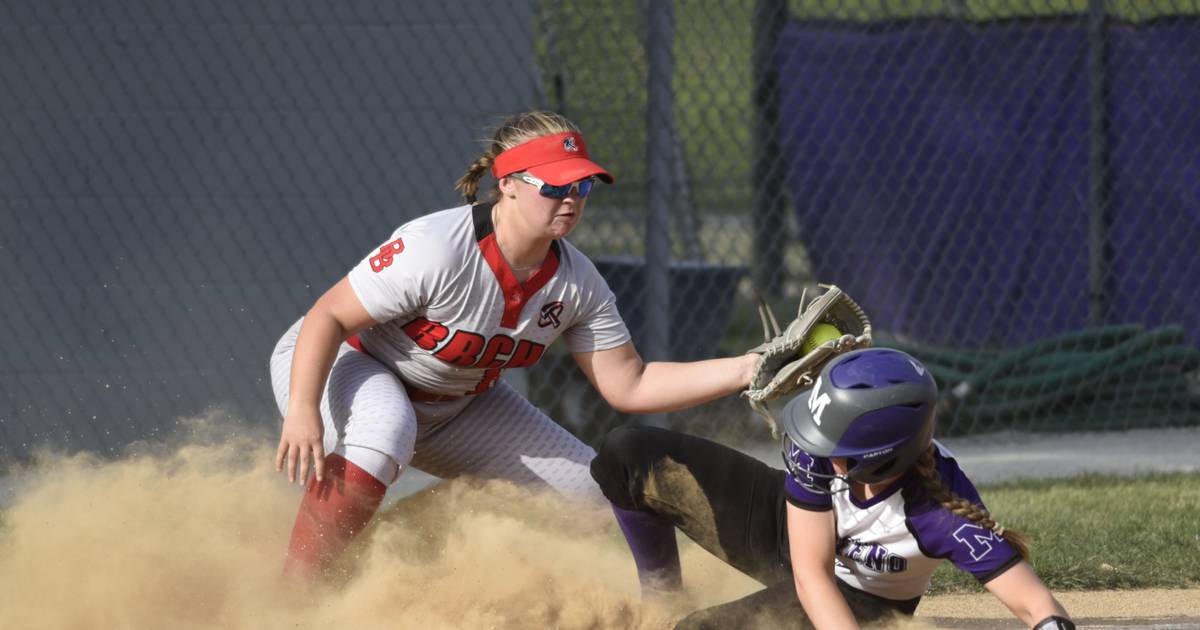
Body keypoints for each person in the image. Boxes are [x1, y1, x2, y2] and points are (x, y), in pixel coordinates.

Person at [269, 110, 760, 579]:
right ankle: (296, 597)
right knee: (386, 429)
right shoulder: (438, 248)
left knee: (587, 499)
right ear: (507, 183)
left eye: (581, 185)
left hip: (458, 405)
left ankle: (379, 557)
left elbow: (631, 384)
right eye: (554, 184)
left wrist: (746, 369)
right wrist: (303, 407)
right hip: (347, 363)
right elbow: (327, 316)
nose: (570, 198)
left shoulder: (577, 284)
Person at [591, 348, 1076, 630]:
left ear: (885, 457)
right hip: (803, 543)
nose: (816, 446)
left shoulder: (940, 512)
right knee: (628, 454)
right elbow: (810, 569)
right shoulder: (819, 449)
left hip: (862, 596)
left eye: (836, 447)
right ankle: (661, 596)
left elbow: (1039, 607)